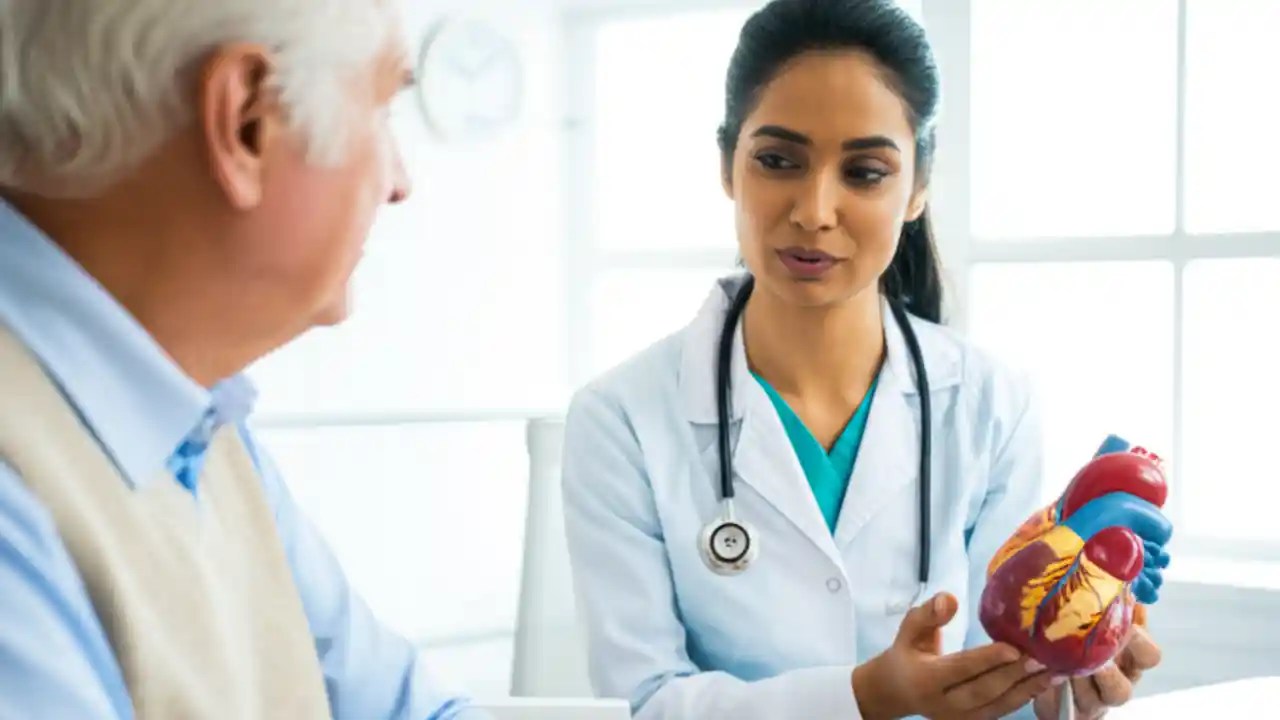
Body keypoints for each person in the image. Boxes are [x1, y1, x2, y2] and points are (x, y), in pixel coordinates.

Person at [560, 1, 1168, 718]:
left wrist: (1070, 675)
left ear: (918, 186)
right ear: (728, 166)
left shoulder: (992, 404)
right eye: (779, 160)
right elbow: (644, 703)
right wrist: (863, 696)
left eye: (866, 171)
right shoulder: (622, 419)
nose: (815, 209)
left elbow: (1002, 668)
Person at [0, 2, 487, 718]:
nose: (400, 181)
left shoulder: (204, 424)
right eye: (382, 108)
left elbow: (402, 707)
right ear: (246, 122)